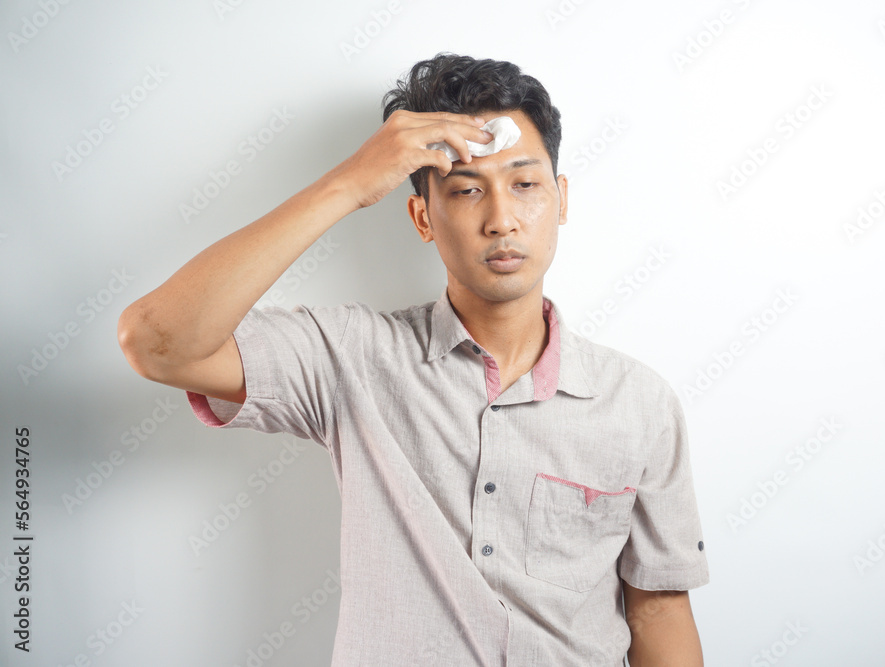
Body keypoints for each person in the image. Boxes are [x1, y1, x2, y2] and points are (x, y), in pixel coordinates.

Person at [117, 52, 710, 666]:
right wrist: (349, 184)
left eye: (525, 185)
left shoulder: (639, 403)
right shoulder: (350, 356)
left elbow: (660, 611)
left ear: (561, 200)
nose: (501, 219)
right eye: (467, 189)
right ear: (423, 217)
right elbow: (158, 342)